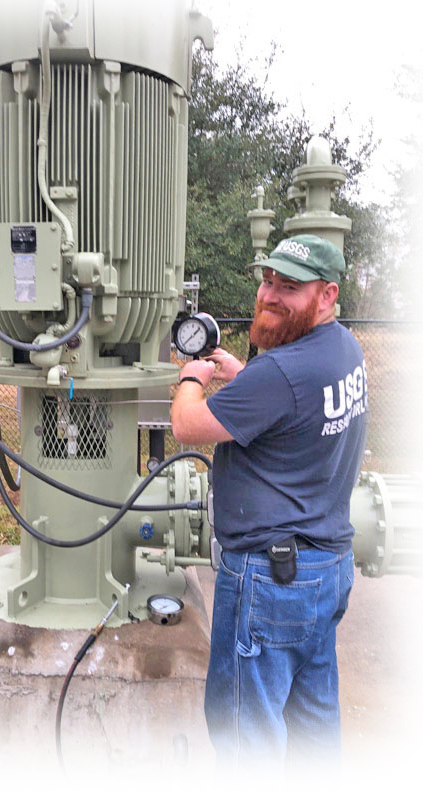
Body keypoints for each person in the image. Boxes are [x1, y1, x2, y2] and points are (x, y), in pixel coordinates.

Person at [171, 234, 368, 773]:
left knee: (245, 736)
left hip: (271, 583)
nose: (272, 295)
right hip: (326, 570)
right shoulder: (344, 350)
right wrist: (244, 376)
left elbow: (188, 424)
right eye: (269, 281)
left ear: (327, 295)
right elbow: (294, 404)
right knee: (312, 727)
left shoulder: (282, 373)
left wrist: (192, 377)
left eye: (291, 288)